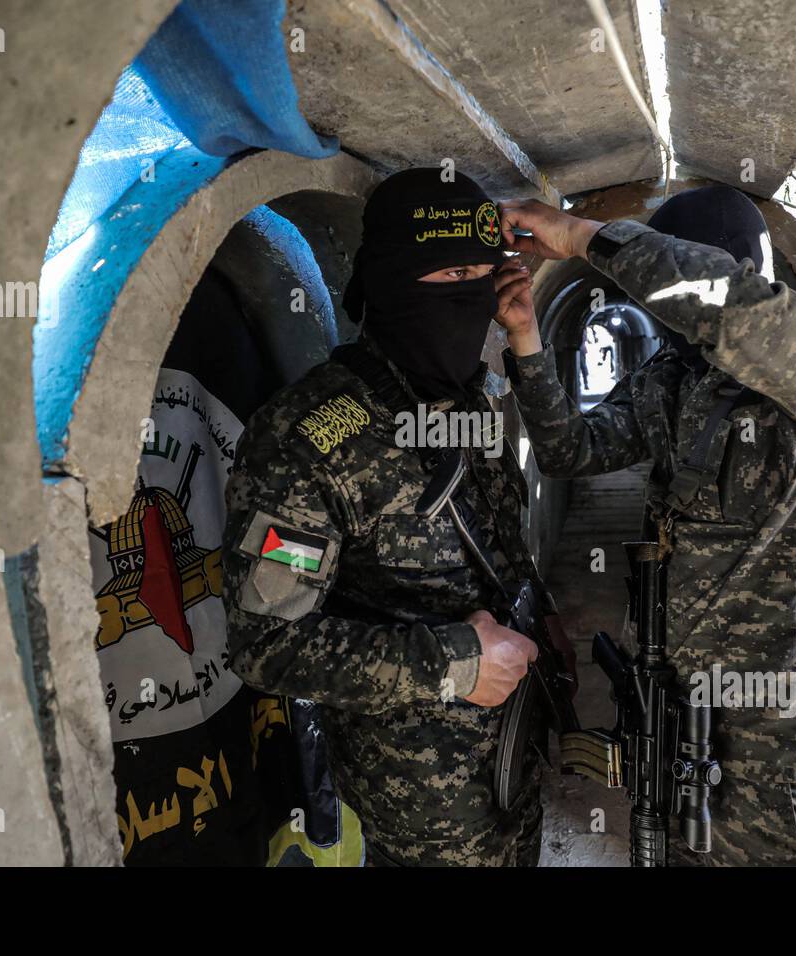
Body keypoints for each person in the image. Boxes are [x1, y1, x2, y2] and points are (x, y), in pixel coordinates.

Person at [492, 185, 796, 866]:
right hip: (673, 714)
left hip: (777, 733)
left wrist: (587, 237)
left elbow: (733, 315)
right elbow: (571, 450)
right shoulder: (676, 377)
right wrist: (529, 342)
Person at [221, 168, 571, 866]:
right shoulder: (307, 439)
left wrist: (540, 608)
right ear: (389, 282)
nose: (469, 297)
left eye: (482, 274)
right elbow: (267, 645)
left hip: (513, 768)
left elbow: (498, 539)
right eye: (448, 275)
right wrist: (455, 663)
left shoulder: (471, 397)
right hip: (420, 813)